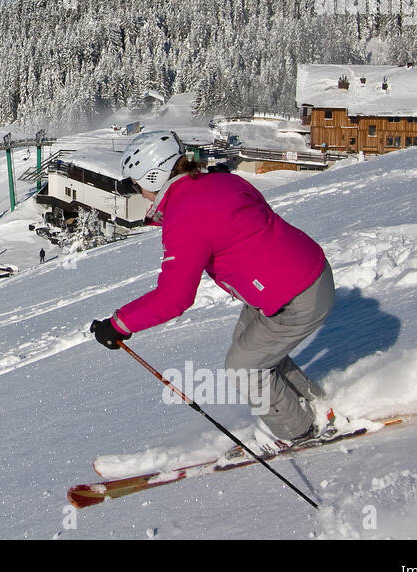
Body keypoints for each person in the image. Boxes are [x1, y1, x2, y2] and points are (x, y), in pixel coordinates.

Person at [89, 130, 335, 454]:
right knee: (251, 350)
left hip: (295, 296)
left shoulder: (185, 215)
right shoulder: (219, 182)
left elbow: (174, 298)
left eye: (136, 184)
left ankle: (300, 430)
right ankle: (314, 406)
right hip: (298, 276)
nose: (138, 191)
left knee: (244, 366)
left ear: (153, 176)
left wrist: (119, 324)